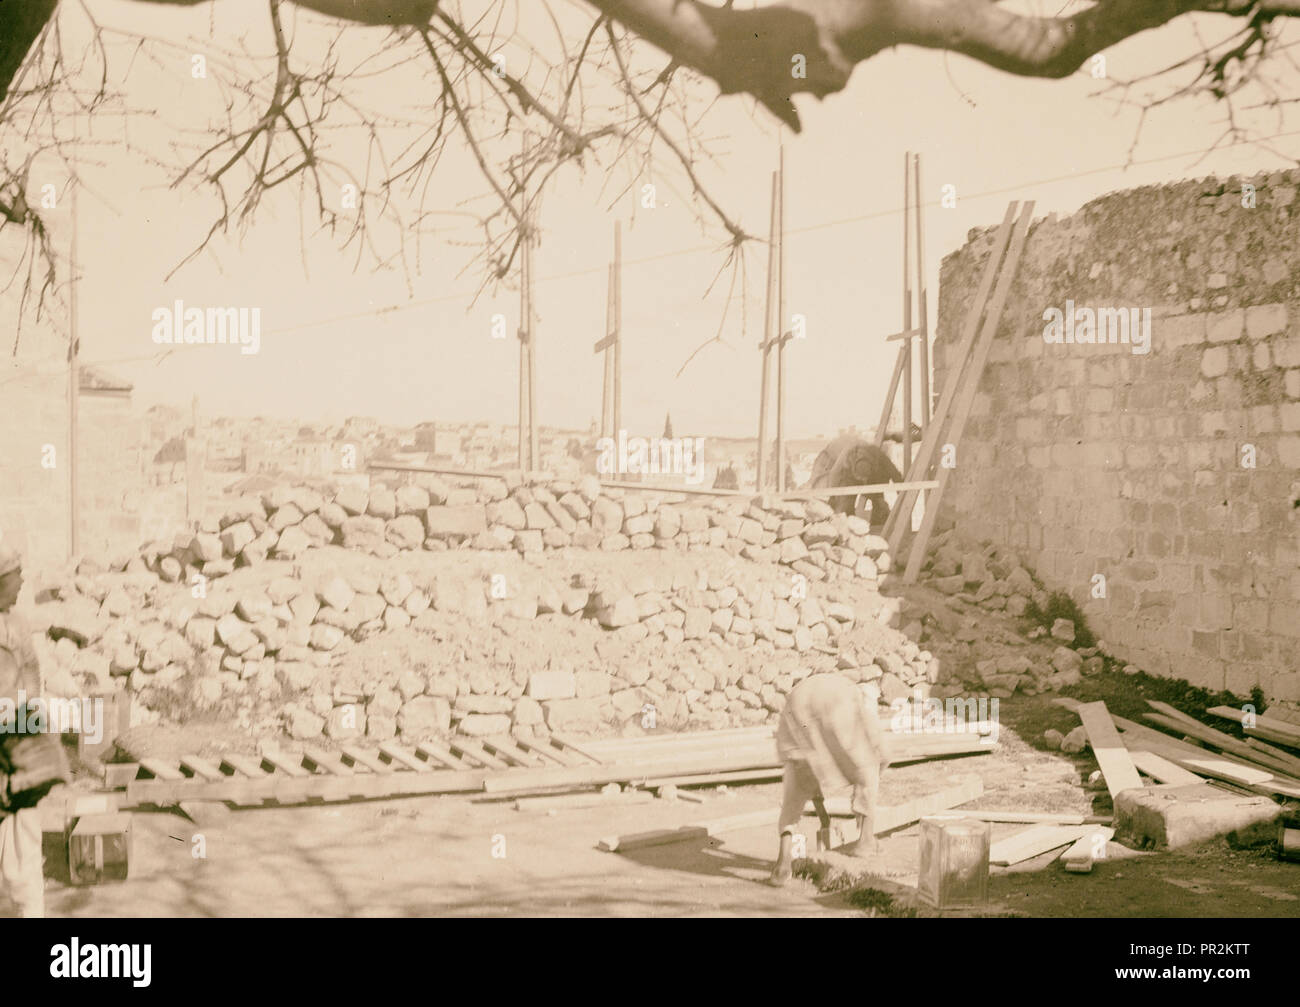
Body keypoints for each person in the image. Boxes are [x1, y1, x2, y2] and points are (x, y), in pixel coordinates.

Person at [768, 672, 890, 886]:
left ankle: (784, 860)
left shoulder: (838, 686)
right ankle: (865, 842)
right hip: (832, 704)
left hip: (796, 701)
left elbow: (814, 768)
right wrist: (863, 797)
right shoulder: (863, 702)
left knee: (798, 771)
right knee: (871, 763)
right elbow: (883, 755)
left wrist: (824, 817)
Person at [0, 546, 64, 917]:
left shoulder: (17, 623)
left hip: (18, 752)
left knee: (24, 851)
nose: (22, 581)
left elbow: (30, 676)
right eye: (15, 574)